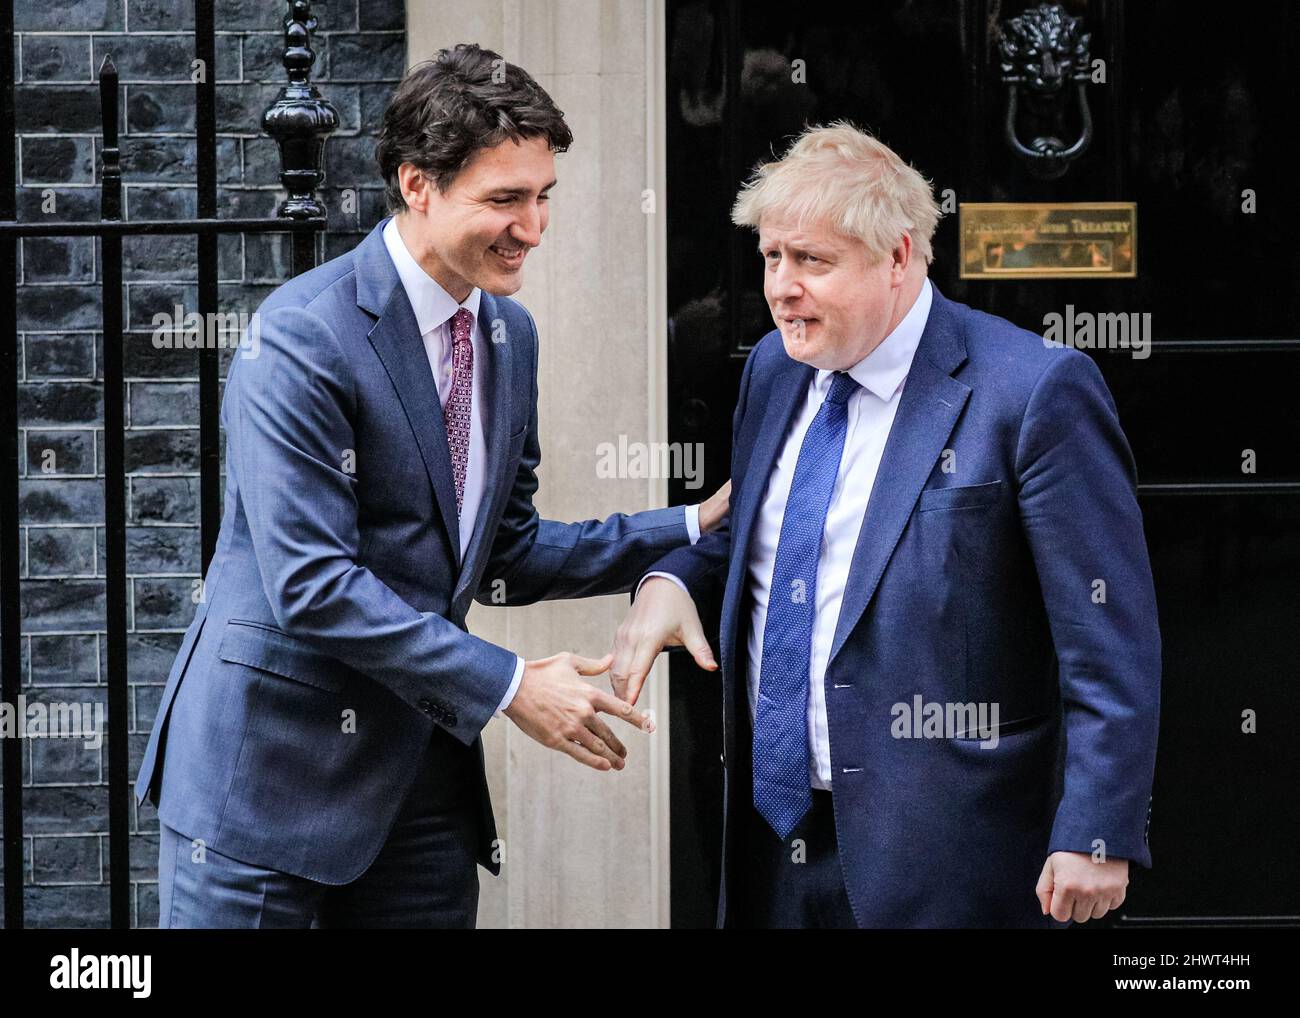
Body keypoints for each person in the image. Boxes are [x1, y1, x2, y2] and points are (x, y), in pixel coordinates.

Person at [135, 43, 729, 929]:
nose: (533, 227)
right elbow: (312, 586)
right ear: (416, 185)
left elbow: (508, 553)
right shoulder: (301, 337)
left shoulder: (508, 335)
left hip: (423, 800)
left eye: (541, 198)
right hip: (268, 792)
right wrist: (510, 684)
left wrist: (690, 521)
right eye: (504, 200)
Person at [611, 122, 1160, 929]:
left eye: (812, 261)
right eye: (771, 258)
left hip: (948, 856)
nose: (781, 288)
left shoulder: (1033, 393)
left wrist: (1097, 830)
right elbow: (764, 538)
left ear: (900, 257)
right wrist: (674, 577)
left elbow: (1107, 636)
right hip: (773, 844)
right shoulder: (774, 369)